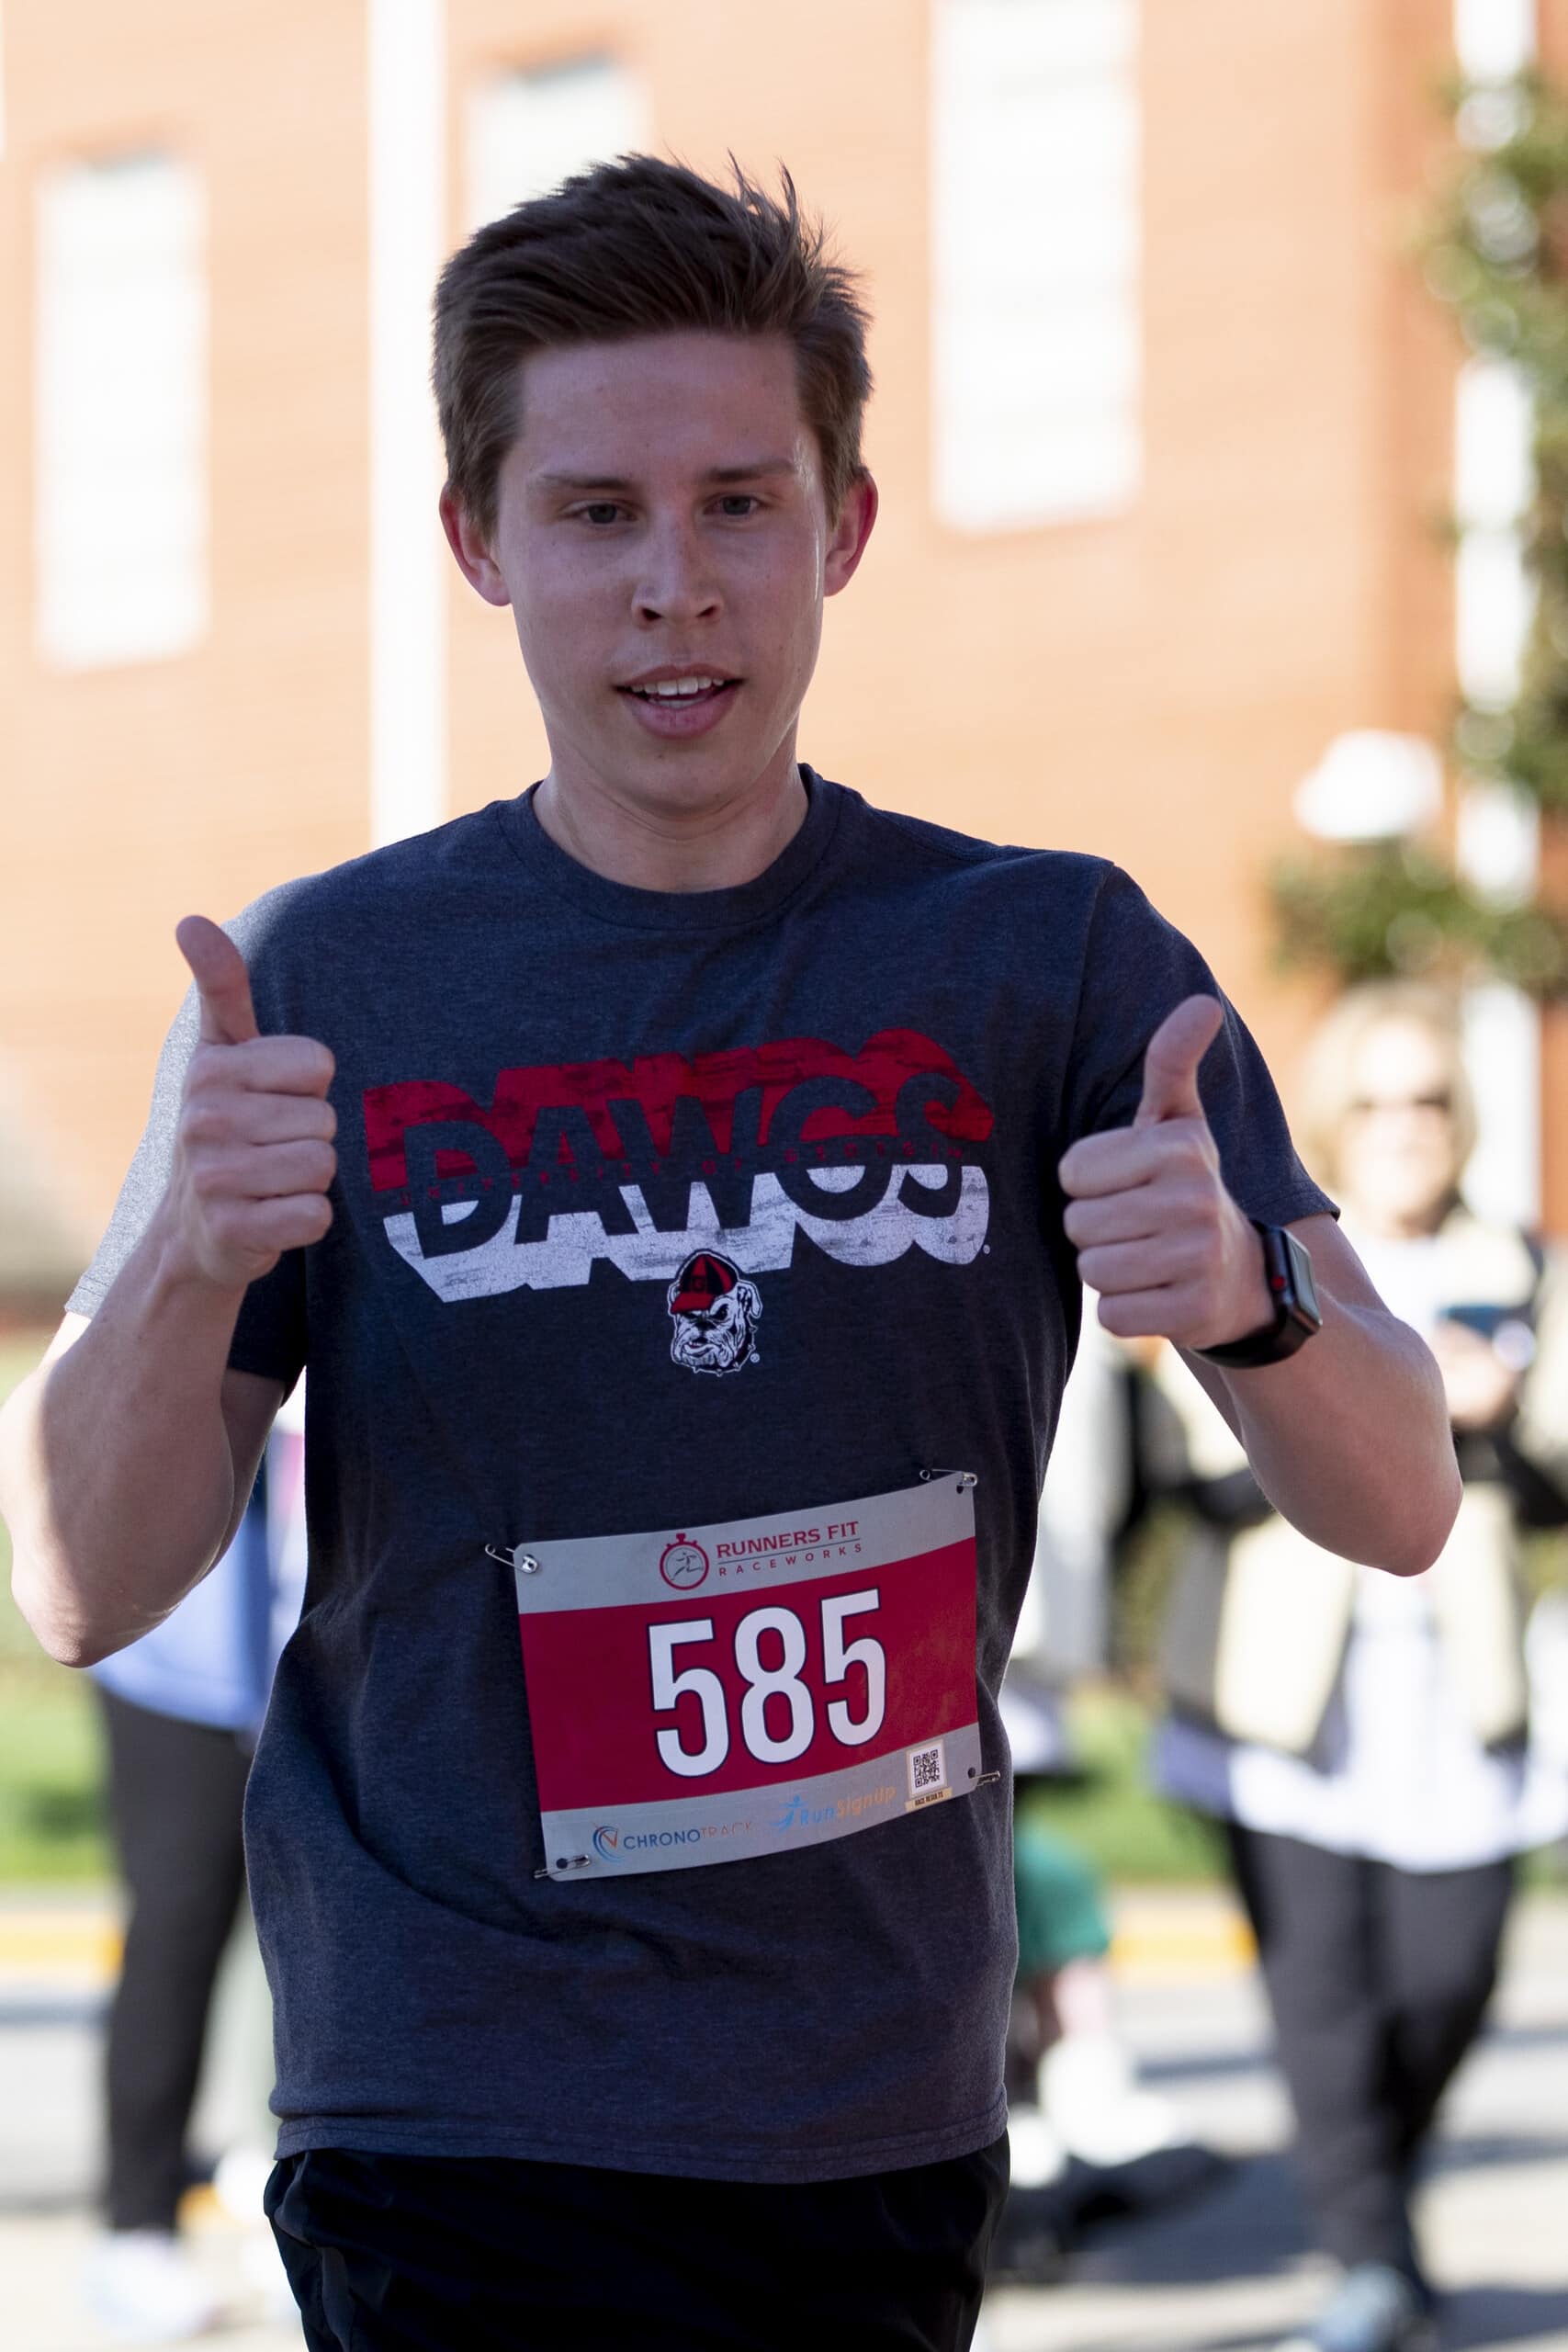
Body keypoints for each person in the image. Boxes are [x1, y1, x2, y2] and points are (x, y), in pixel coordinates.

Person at [0, 159, 1458, 2352]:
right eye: (594, 512)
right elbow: (80, 1583)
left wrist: (1248, 1296)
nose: (673, 587)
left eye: (737, 503)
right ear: (477, 540)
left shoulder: (1040, 958)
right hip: (452, 2097)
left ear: (842, 527)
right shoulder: (327, 975)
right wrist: (194, 1260)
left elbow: (1405, 1497)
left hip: (869, 2106)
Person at [1151, 980, 1568, 2352]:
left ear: (1467, 1120)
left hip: (1466, 1698)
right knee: (1320, 2006)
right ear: (1332, 1113)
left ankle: (1377, 2226)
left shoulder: (1526, 1272)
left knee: (1445, 1987)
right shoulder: (1262, 1252)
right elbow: (1201, 1456)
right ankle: (1372, 2264)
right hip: (1287, 1701)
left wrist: (1497, 1409)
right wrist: (1376, 1392)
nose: (1402, 1129)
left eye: (1430, 1101)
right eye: (1376, 1102)